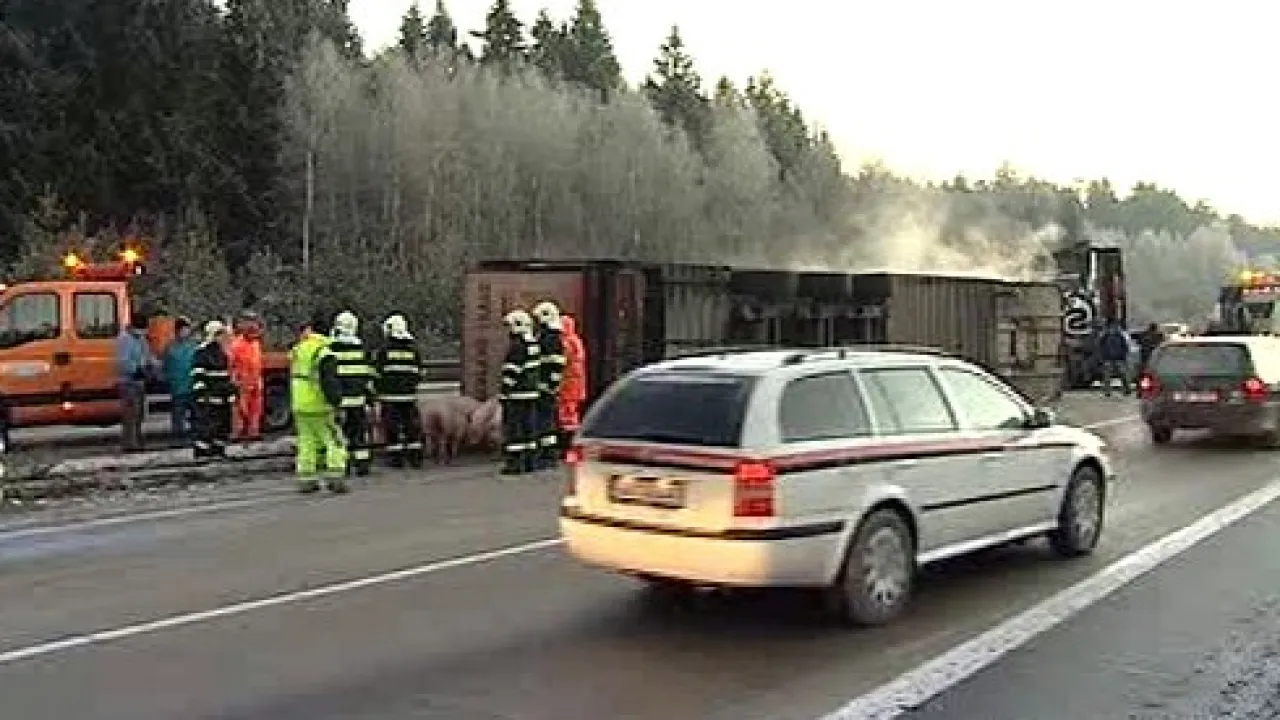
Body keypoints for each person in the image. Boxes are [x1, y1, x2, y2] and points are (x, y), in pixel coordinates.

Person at [291, 312, 348, 493]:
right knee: (333, 440)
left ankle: (306, 478)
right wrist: (336, 402)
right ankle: (335, 477)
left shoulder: (299, 349)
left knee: (306, 441)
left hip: (299, 402)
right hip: (319, 404)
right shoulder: (324, 351)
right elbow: (329, 381)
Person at [373, 313, 425, 468]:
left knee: (392, 427)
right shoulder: (413, 351)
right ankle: (415, 458)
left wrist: (378, 390)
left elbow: (376, 373)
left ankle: (396, 459)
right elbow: (419, 373)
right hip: (409, 397)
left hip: (389, 398)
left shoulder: (383, 351)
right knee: (412, 427)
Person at [330, 310, 376, 476]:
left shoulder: (331, 349)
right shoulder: (362, 348)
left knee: (340, 434)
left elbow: (329, 376)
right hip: (358, 400)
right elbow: (368, 375)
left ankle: (344, 464)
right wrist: (370, 397)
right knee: (359, 433)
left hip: (340, 401)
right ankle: (363, 465)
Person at [499, 309, 541, 475]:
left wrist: (504, 391)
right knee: (529, 429)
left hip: (516, 395)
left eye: (510, 326)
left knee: (514, 430)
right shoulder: (533, 345)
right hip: (531, 393)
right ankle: (531, 462)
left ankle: (515, 464)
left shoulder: (517, 346)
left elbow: (511, 372)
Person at [190, 320, 236, 458]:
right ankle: (202, 452)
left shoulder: (221, 353)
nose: (223, 337)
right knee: (207, 426)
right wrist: (201, 394)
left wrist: (230, 392)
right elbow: (198, 375)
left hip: (221, 396)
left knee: (222, 425)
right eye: (220, 334)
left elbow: (225, 375)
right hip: (208, 397)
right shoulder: (202, 352)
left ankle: (218, 450)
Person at [114, 313, 157, 452]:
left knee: (139, 414)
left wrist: (153, 365)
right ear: (133, 327)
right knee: (130, 414)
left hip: (139, 381)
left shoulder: (141, 339)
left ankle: (137, 440)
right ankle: (129, 444)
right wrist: (136, 369)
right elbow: (123, 362)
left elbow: (147, 355)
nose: (143, 332)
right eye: (141, 329)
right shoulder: (125, 340)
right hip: (128, 382)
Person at [531, 301, 566, 469]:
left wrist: (550, 385)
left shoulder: (550, 337)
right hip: (543, 385)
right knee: (546, 420)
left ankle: (548, 455)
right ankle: (547, 454)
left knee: (546, 421)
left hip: (545, 386)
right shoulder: (548, 335)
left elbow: (557, 364)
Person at [229, 310, 265, 441]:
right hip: (242, 382)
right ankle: (238, 433)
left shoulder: (255, 343)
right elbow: (232, 364)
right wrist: (235, 380)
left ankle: (253, 432)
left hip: (255, 380)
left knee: (255, 408)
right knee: (240, 409)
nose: (253, 326)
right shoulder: (237, 344)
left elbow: (257, 363)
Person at [162, 316, 198, 440]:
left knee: (195, 413)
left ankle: (195, 434)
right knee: (178, 413)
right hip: (178, 386)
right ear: (178, 330)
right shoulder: (170, 347)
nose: (185, 332)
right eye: (183, 329)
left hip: (192, 385)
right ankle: (178, 436)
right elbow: (165, 366)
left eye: (187, 329)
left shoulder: (194, 346)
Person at [557, 314, 586, 453]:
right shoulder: (576, 341)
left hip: (569, 386)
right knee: (571, 415)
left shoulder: (568, 342)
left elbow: (563, 361)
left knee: (567, 416)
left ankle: (568, 445)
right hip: (574, 385)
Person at [1097, 321, 1133, 397]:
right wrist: (1102, 357)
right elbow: (1100, 347)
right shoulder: (1105, 337)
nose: (1114, 329)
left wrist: (1123, 356)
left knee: (1123, 375)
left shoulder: (1120, 336)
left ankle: (1127, 390)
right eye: (1112, 327)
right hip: (1108, 359)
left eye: (1115, 327)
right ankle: (1107, 391)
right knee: (1107, 376)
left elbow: (1125, 347)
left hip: (1119, 358)